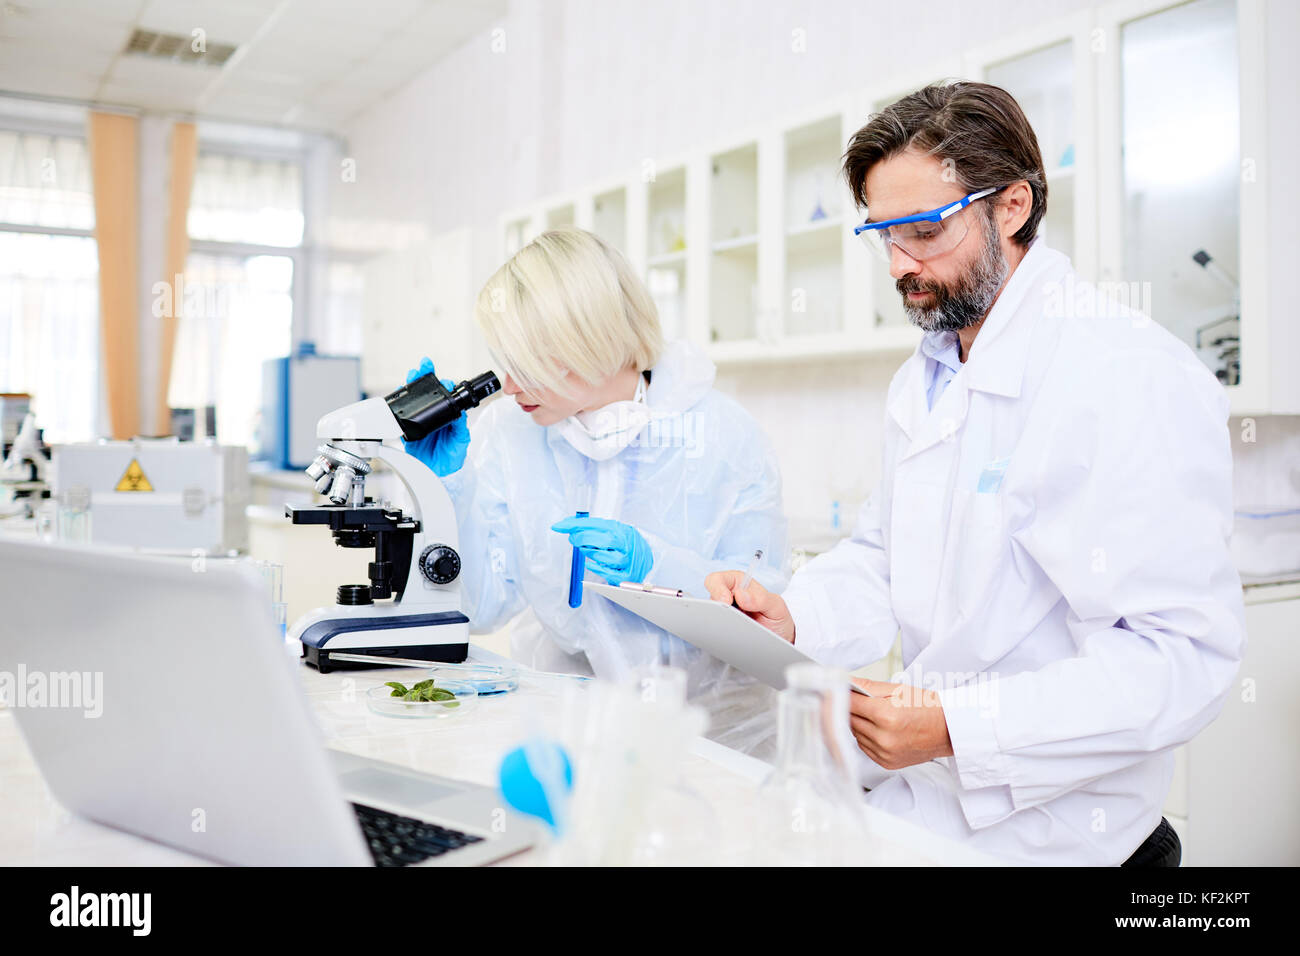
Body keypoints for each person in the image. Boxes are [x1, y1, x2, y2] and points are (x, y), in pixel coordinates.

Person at [707, 82, 1244, 864]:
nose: (899, 265)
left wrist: (960, 727)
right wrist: (791, 616)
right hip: (923, 805)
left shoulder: (1128, 373)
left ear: (1013, 205)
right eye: (882, 235)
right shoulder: (927, 374)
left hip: (1062, 834)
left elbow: (1180, 662)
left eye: (923, 231)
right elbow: (885, 557)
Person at [407, 226, 787, 754]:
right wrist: (446, 489)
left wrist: (661, 568)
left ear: (585, 340)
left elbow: (767, 619)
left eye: (525, 363)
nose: (510, 386)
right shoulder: (511, 435)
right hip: (566, 728)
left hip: (710, 742)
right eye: (504, 363)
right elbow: (482, 607)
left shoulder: (720, 434)